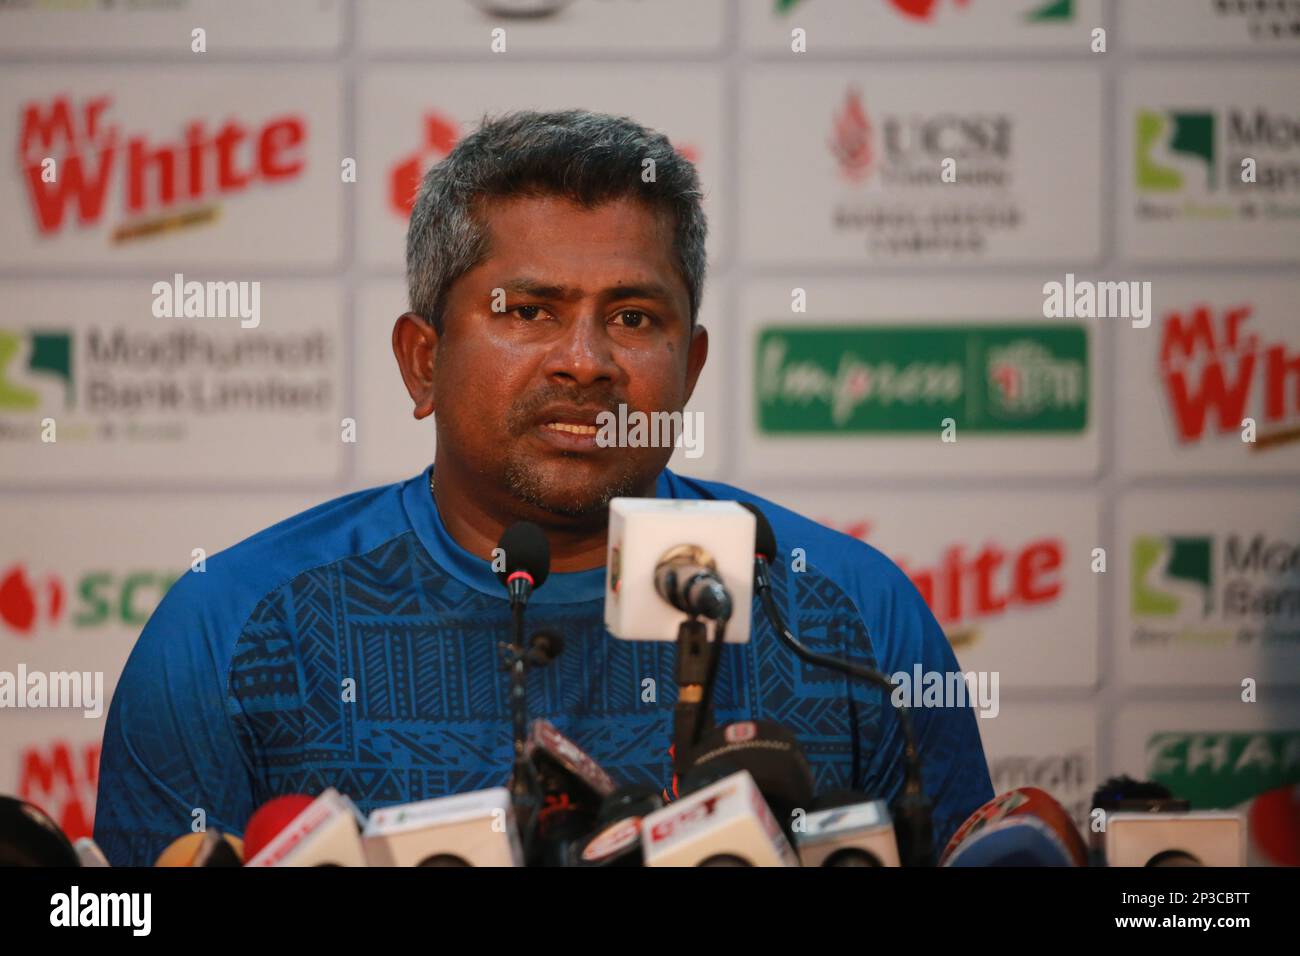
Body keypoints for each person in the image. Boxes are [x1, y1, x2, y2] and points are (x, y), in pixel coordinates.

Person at [94, 109, 992, 866]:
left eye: (633, 318)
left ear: (690, 366)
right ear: (423, 362)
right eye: (529, 312)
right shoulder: (230, 632)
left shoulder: (849, 620)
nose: (586, 362)